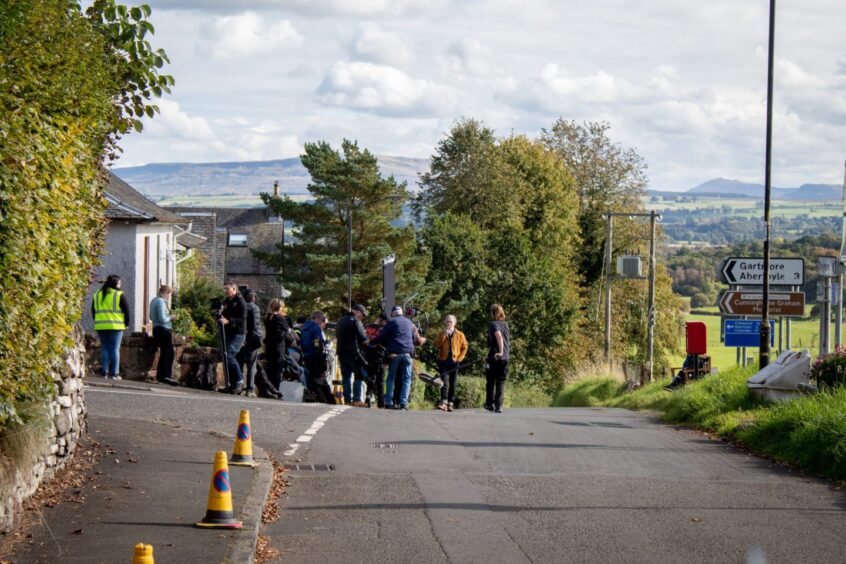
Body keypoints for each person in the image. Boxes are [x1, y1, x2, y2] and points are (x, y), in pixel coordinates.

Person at [371, 305, 426, 410]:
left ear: (393, 314)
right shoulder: (410, 324)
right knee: (407, 379)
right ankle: (403, 403)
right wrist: (423, 339)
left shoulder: (392, 322)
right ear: (402, 313)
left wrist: (371, 341)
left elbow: (381, 336)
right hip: (408, 354)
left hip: (395, 354)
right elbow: (416, 340)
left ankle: (388, 402)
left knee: (391, 377)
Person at [92, 274, 130, 380]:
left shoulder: (97, 294)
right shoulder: (119, 294)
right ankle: (115, 373)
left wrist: (98, 321)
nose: (120, 284)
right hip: (116, 326)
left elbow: (93, 311)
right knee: (115, 349)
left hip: (101, 325)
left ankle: (104, 372)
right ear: (116, 284)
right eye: (119, 283)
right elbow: (127, 311)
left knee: (104, 348)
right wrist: (126, 324)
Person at [336, 304, 370, 407]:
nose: (362, 317)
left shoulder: (340, 320)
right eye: (363, 315)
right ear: (358, 312)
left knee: (346, 377)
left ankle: (347, 401)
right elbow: (363, 337)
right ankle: (357, 400)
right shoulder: (355, 321)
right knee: (359, 375)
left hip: (341, 353)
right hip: (353, 353)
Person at [434, 314, 468, 412]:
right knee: (443, 382)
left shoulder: (460, 334)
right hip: (443, 360)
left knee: (453, 383)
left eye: (451, 322)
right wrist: (443, 336)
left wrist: (460, 358)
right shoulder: (442, 333)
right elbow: (436, 345)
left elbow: (465, 347)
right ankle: (443, 402)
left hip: (454, 361)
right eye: (447, 321)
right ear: (445, 322)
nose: (449, 323)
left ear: (454, 323)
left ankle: (450, 403)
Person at [219, 281, 247, 395]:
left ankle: (240, 381)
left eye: (227, 289)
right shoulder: (226, 301)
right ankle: (230, 384)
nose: (225, 291)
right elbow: (223, 313)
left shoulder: (240, 301)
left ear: (234, 289)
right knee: (225, 356)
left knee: (230, 354)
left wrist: (229, 321)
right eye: (224, 289)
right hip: (228, 332)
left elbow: (242, 318)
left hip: (238, 333)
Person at [149, 285, 180, 386]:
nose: (169, 297)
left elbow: (150, 316)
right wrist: (172, 317)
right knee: (168, 353)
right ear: (167, 293)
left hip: (156, 329)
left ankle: (162, 375)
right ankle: (164, 376)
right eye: (169, 294)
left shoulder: (154, 300)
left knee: (166, 352)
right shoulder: (161, 302)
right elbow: (162, 318)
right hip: (163, 329)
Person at [301, 311, 334, 404]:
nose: (323, 322)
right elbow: (318, 343)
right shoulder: (316, 328)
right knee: (320, 382)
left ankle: (316, 399)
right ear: (317, 318)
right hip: (316, 358)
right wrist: (321, 353)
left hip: (306, 357)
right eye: (322, 319)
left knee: (312, 381)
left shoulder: (304, 328)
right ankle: (328, 402)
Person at [262, 299, 293, 399]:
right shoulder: (280, 318)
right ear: (280, 308)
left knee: (270, 369)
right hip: (278, 347)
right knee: (277, 371)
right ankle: (275, 391)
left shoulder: (267, 317)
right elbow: (287, 332)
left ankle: (268, 390)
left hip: (269, 346)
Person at [237, 291, 264, 398]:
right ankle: (249, 389)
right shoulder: (255, 308)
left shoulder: (243, 307)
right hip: (252, 340)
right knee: (251, 365)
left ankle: (239, 386)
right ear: (254, 298)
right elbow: (254, 326)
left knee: (239, 363)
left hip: (242, 338)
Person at [485, 304, 510, 413]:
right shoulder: (505, 324)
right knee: (500, 381)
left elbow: (499, 336)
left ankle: (489, 404)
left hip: (496, 356)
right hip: (505, 357)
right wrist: (504, 353)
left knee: (490, 381)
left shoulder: (493, 324)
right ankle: (499, 406)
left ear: (493, 313)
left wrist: (500, 352)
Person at [364, 313, 388, 408]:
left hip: (368, 357)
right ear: (382, 320)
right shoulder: (383, 330)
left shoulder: (368, 327)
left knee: (370, 379)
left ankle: (368, 397)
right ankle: (381, 403)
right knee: (380, 382)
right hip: (380, 357)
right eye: (385, 321)